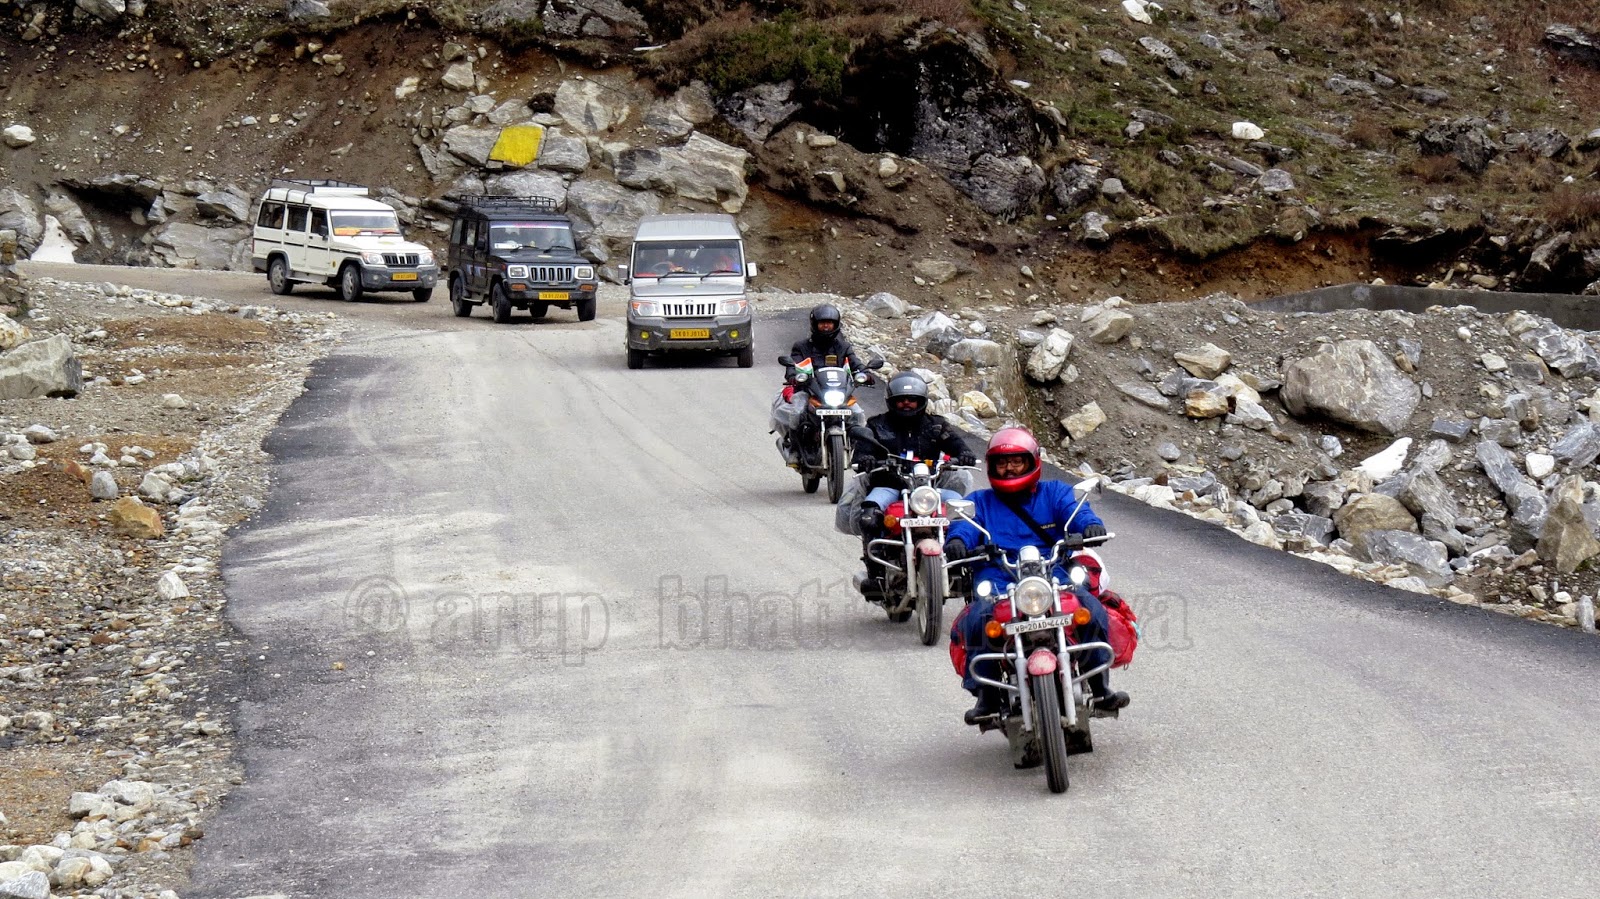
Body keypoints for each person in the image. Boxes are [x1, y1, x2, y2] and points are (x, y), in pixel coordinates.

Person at [945, 426, 1130, 724]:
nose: (1009, 468)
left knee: (1090, 608)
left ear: (1032, 461)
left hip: (1052, 570)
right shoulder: (980, 502)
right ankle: (987, 696)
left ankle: (1100, 687)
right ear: (992, 466)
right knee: (979, 618)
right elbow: (964, 525)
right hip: (998, 575)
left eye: (1016, 461)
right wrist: (957, 541)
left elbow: (1077, 511)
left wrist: (1089, 526)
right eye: (1002, 463)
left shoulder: (1054, 492)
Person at [849, 372, 975, 598]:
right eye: (901, 400)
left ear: (922, 401)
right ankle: (876, 573)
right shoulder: (877, 425)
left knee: (964, 510)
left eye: (912, 399)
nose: (906, 403)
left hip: (928, 489)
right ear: (891, 401)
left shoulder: (936, 425)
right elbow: (862, 451)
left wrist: (964, 454)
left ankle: (964, 566)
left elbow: (957, 444)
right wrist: (865, 458)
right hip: (889, 486)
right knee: (869, 516)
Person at [775, 304, 872, 465]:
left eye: (830, 323)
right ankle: (795, 449)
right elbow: (793, 364)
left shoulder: (843, 347)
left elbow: (855, 363)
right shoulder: (802, 346)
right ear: (815, 324)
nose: (826, 326)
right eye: (822, 323)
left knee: (858, 414)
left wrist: (865, 374)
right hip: (809, 391)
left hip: (838, 392)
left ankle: (858, 451)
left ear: (836, 324)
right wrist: (793, 375)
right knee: (797, 412)